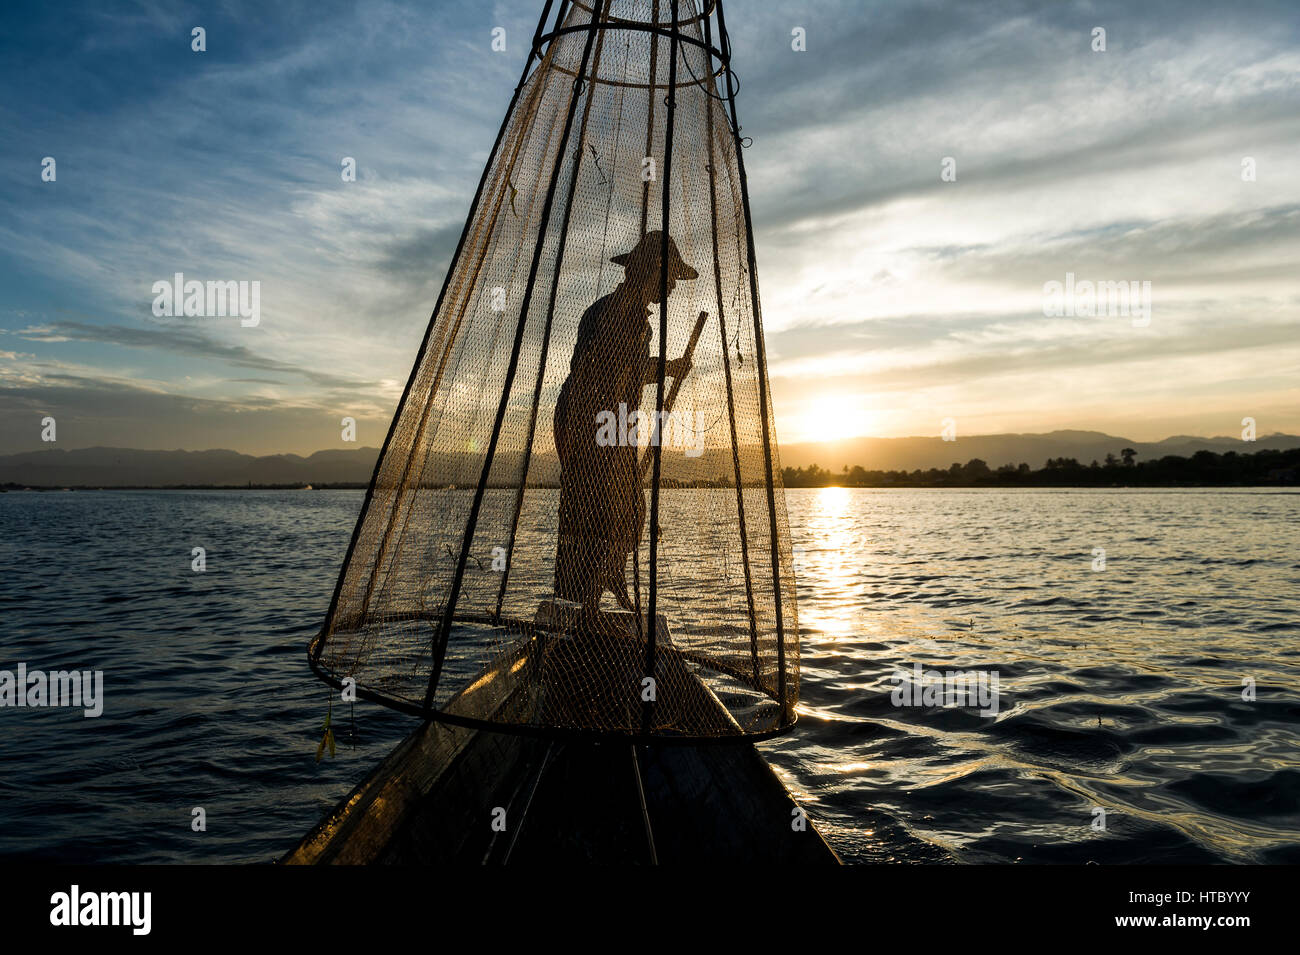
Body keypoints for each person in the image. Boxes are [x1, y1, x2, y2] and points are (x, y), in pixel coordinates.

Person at [552, 230, 697, 619]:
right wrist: (666, 368)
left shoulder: (633, 316)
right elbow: (612, 370)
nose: (670, 288)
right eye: (668, 278)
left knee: (624, 513)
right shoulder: (619, 313)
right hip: (591, 425)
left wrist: (664, 370)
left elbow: (626, 371)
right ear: (652, 272)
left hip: (606, 425)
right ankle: (587, 603)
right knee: (603, 513)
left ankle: (599, 589)